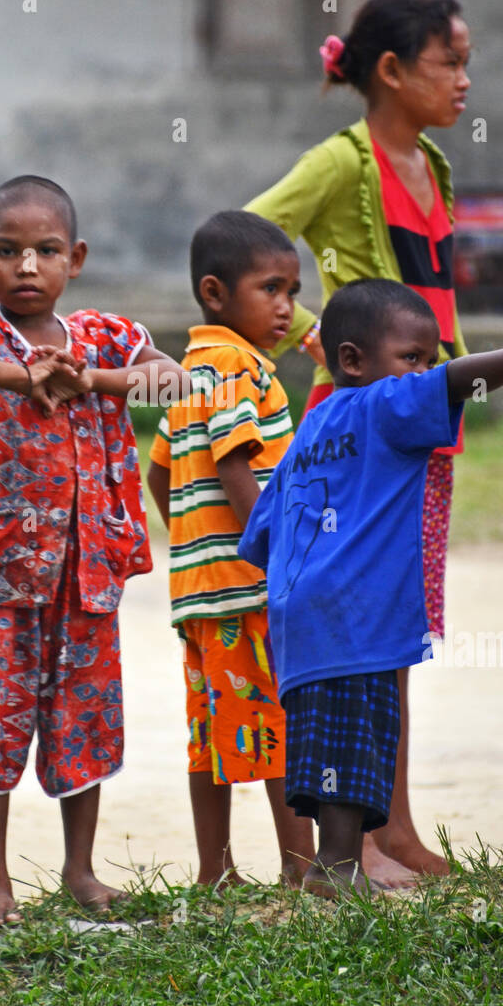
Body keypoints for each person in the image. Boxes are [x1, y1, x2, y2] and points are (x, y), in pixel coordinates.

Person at [0, 174, 187, 921]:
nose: (26, 266)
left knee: (83, 718)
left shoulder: (104, 337)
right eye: (6, 251)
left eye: (45, 250)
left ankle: (79, 870)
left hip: (87, 572)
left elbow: (173, 381)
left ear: (76, 258)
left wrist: (92, 379)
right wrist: (20, 377)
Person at [238, 278, 503, 897]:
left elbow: (260, 530)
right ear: (352, 361)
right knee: (357, 737)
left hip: (301, 619)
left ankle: (329, 861)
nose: (422, 372)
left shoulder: (311, 431)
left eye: (428, 358)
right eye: (412, 358)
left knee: (327, 739)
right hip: (356, 616)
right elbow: (452, 384)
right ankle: (338, 868)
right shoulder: (381, 407)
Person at [243, 0, 472, 885]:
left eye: (465, 64)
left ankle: (397, 824)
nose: (462, 81)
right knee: (359, 626)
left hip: (421, 432)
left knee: (398, 627)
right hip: (363, 439)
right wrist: (311, 335)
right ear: (389, 69)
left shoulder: (435, 167)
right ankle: (364, 841)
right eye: (447, 61)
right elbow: (254, 232)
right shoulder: (343, 160)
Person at [147, 212, 315, 888]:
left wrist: (192, 542)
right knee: (275, 722)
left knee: (210, 729)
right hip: (249, 590)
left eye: (292, 291)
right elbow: (233, 463)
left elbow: (159, 471)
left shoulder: (189, 371)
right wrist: (274, 560)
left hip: (199, 591)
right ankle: (299, 866)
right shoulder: (238, 368)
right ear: (215, 293)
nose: (286, 308)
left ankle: (214, 871)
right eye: (270, 289)